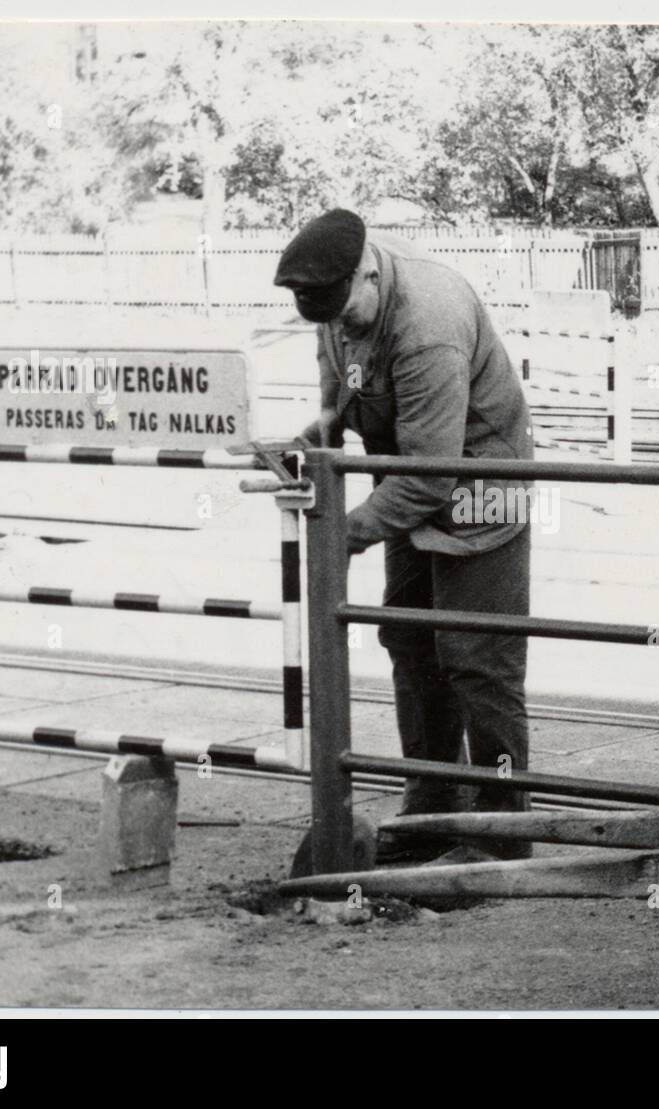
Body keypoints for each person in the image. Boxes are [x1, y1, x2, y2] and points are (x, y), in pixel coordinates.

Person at [273, 208, 534, 861]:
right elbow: (340, 408)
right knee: (410, 639)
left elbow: (432, 476)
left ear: (369, 274)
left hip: (475, 482)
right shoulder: (340, 303)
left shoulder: (428, 322)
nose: (339, 331)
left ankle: (502, 835)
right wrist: (303, 448)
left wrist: (343, 532)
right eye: (326, 320)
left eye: (346, 316)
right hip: (407, 475)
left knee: (477, 655)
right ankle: (433, 808)